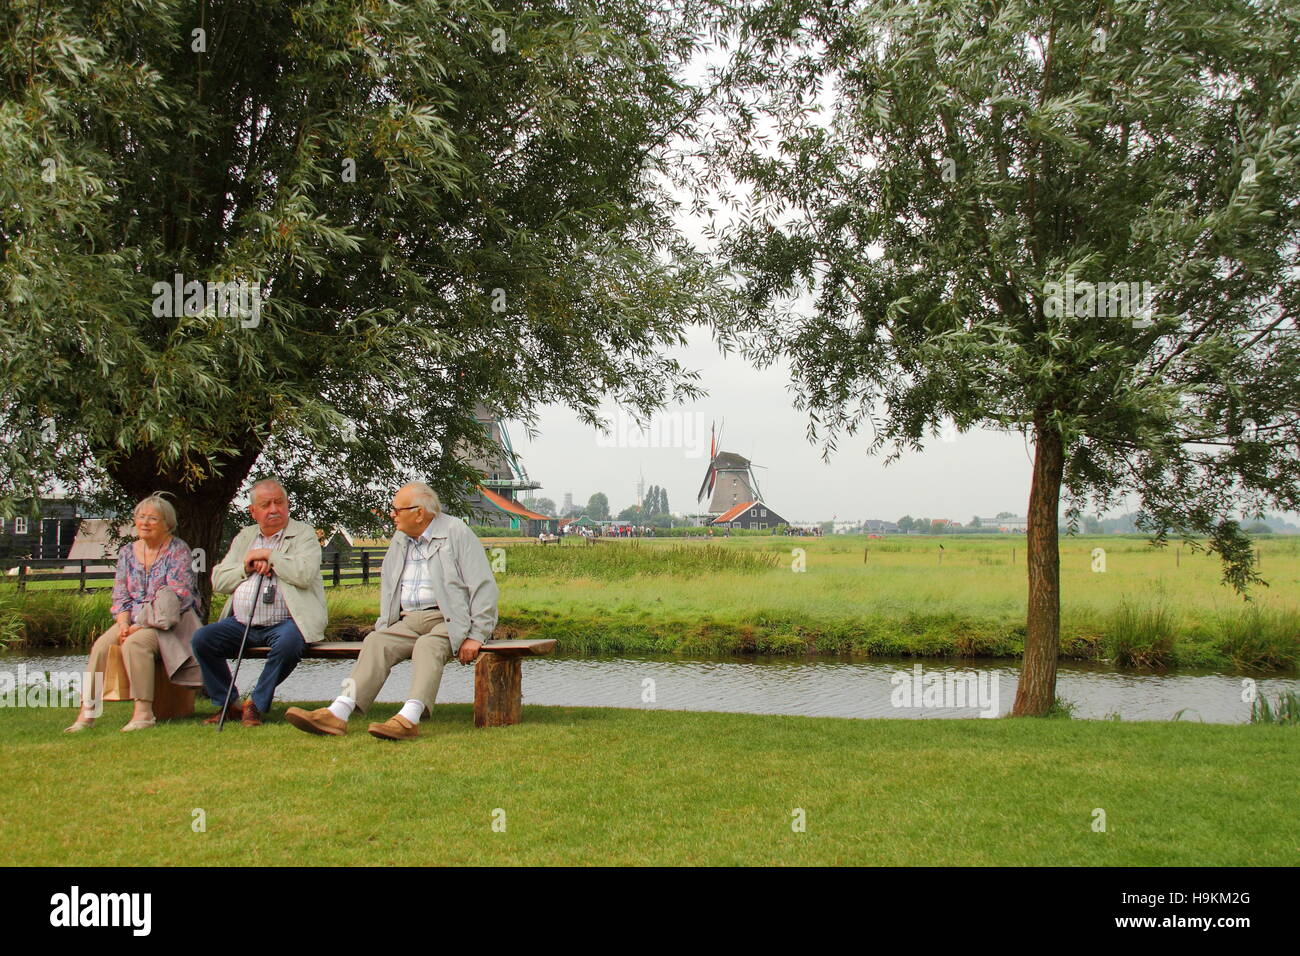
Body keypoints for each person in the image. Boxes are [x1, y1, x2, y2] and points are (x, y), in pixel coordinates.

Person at [286, 481, 498, 741]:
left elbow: (483, 585)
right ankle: (337, 712)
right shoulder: (400, 539)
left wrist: (477, 634)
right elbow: (390, 585)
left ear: (419, 513)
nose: (392, 514)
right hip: (408, 619)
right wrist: (385, 625)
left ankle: (409, 718)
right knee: (375, 640)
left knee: (428, 645)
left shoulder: (456, 532)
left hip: (449, 620)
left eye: (397, 509)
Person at [191, 478, 327, 726]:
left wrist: (270, 556)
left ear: (288, 505)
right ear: (253, 511)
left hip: (287, 621)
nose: (274, 509)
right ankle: (227, 703)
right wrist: (247, 566)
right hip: (242, 622)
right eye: (266, 504)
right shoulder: (245, 537)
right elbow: (219, 580)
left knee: (289, 645)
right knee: (203, 639)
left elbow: (305, 574)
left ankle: (254, 704)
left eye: (279, 502)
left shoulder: (304, 534)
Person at [65, 494, 202, 733]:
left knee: (135, 644)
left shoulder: (178, 551)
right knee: (101, 647)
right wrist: (122, 623)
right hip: (133, 620)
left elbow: (179, 597)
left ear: (167, 523)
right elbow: (120, 595)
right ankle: (87, 713)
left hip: (168, 623)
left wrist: (141, 625)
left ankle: (143, 713)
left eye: (152, 518)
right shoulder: (128, 552)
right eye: (141, 517)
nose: (145, 522)